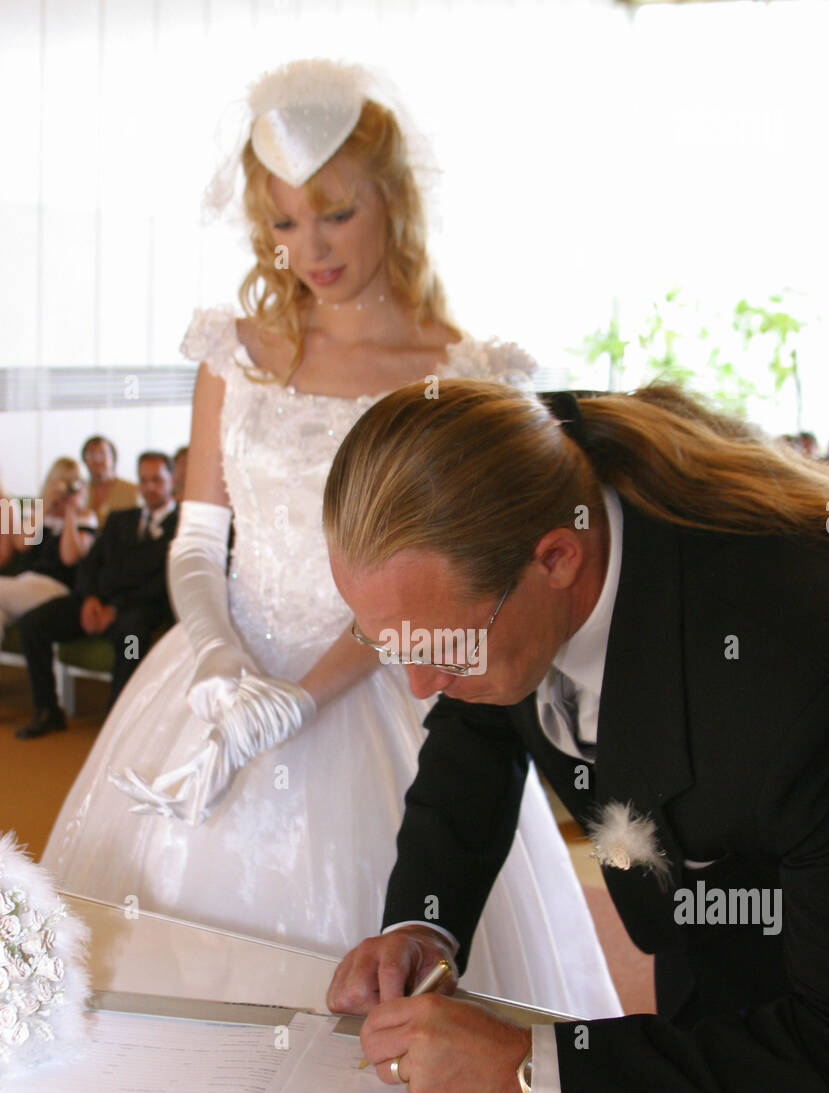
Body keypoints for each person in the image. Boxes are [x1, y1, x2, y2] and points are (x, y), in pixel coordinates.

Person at [41, 60, 619, 1019]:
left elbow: (453, 580)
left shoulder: (462, 371)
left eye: (336, 213)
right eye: (282, 221)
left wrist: (299, 701)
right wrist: (223, 663)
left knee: (403, 946)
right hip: (224, 673)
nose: (310, 246)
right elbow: (197, 537)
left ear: (391, 200)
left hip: (395, 691)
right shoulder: (237, 352)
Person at [323, 378, 829, 1093]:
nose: (419, 685)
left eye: (442, 649)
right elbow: (479, 730)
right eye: (389, 643)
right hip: (699, 938)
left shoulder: (801, 675)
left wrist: (534, 1074)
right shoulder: (507, 486)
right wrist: (423, 922)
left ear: (558, 559)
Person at [15, 452, 177, 736]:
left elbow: (162, 581)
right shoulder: (120, 519)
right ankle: (47, 709)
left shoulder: (182, 526)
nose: (149, 486)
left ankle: (117, 717)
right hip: (94, 601)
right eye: (144, 480)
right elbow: (90, 564)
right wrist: (90, 598)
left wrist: (114, 608)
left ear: (171, 481)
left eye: (157, 480)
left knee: (132, 640)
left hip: (136, 609)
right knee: (32, 624)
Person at [0, 458, 98, 645]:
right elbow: (22, 544)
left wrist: (70, 512)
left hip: (55, 589)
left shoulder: (85, 517)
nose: (64, 490)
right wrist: (45, 506)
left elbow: (69, 558)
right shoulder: (40, 513)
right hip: (24, 584)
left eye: (71, 484)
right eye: (60, 482)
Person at [82, 437, 138, 527]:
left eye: (102, 454)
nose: (97, 460)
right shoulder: (79, 490)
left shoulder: (131, 490)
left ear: (113, 457)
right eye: (91, 454)